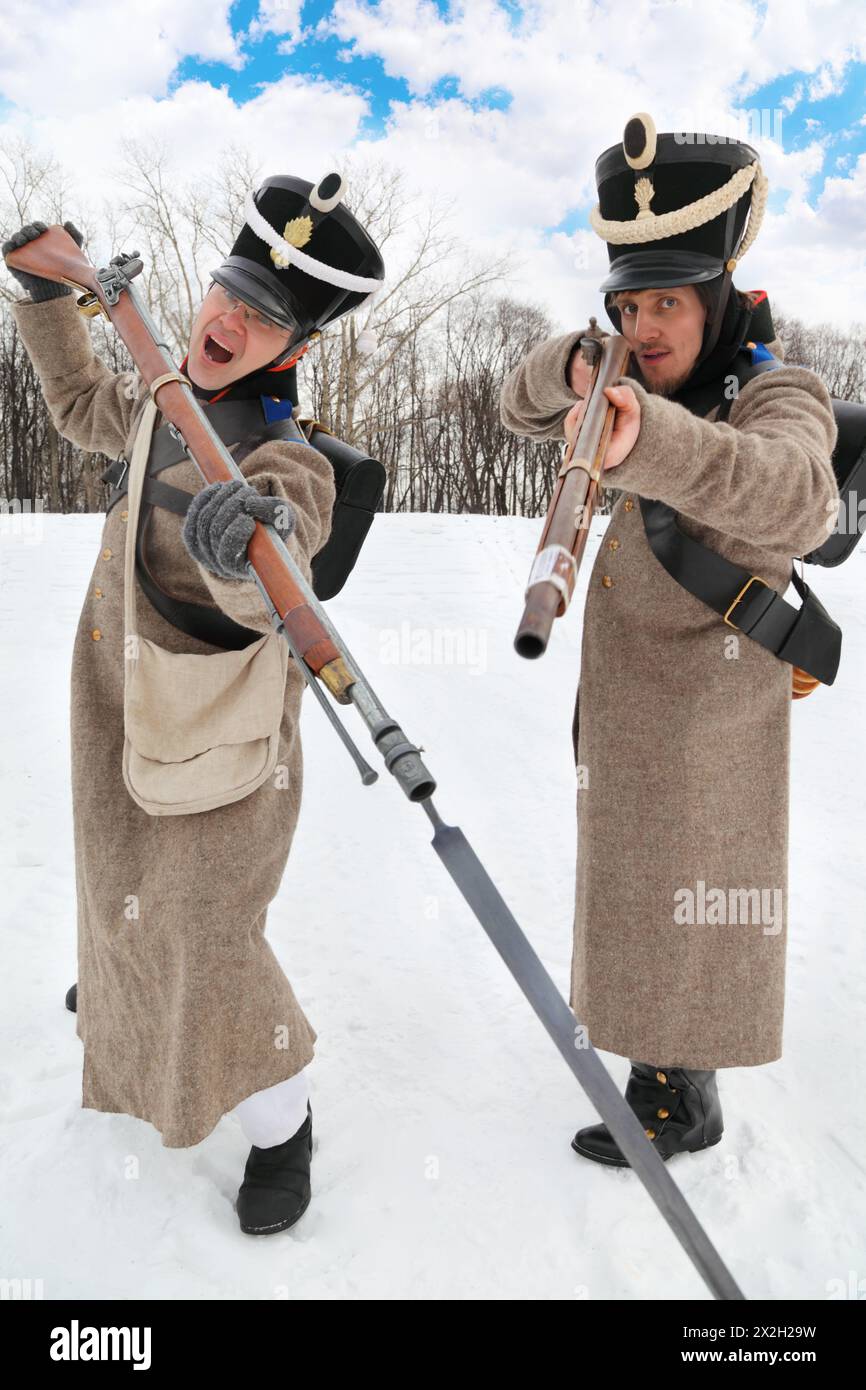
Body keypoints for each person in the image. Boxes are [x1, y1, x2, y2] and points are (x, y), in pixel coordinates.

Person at [3, 173, 384, 1231]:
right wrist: (46, 299)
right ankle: (123, 997)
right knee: (118, 885)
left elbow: (282, 560)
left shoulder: (284, 456)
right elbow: (85, 408)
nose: (229, 319)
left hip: (222, 729)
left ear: (293, 349)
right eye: (227, 292)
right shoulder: (160, 388)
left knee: (206, 935)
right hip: (113, 690)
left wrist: (241, 541)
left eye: (263, 316)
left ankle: (281, 1118)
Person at [499, 114, 839, 1166]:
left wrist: (647, 435)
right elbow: (513, 402)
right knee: (633, 884)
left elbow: (793, 492)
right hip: (625, 690)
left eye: (666, 303)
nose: (642, 325)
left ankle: (678, 1094)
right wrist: (574, 364)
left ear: (718, 299)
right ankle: (654, 1055)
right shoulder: (624, 371)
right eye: (627, 303)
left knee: (693, 890)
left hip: (709, 701)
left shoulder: (777, 393)